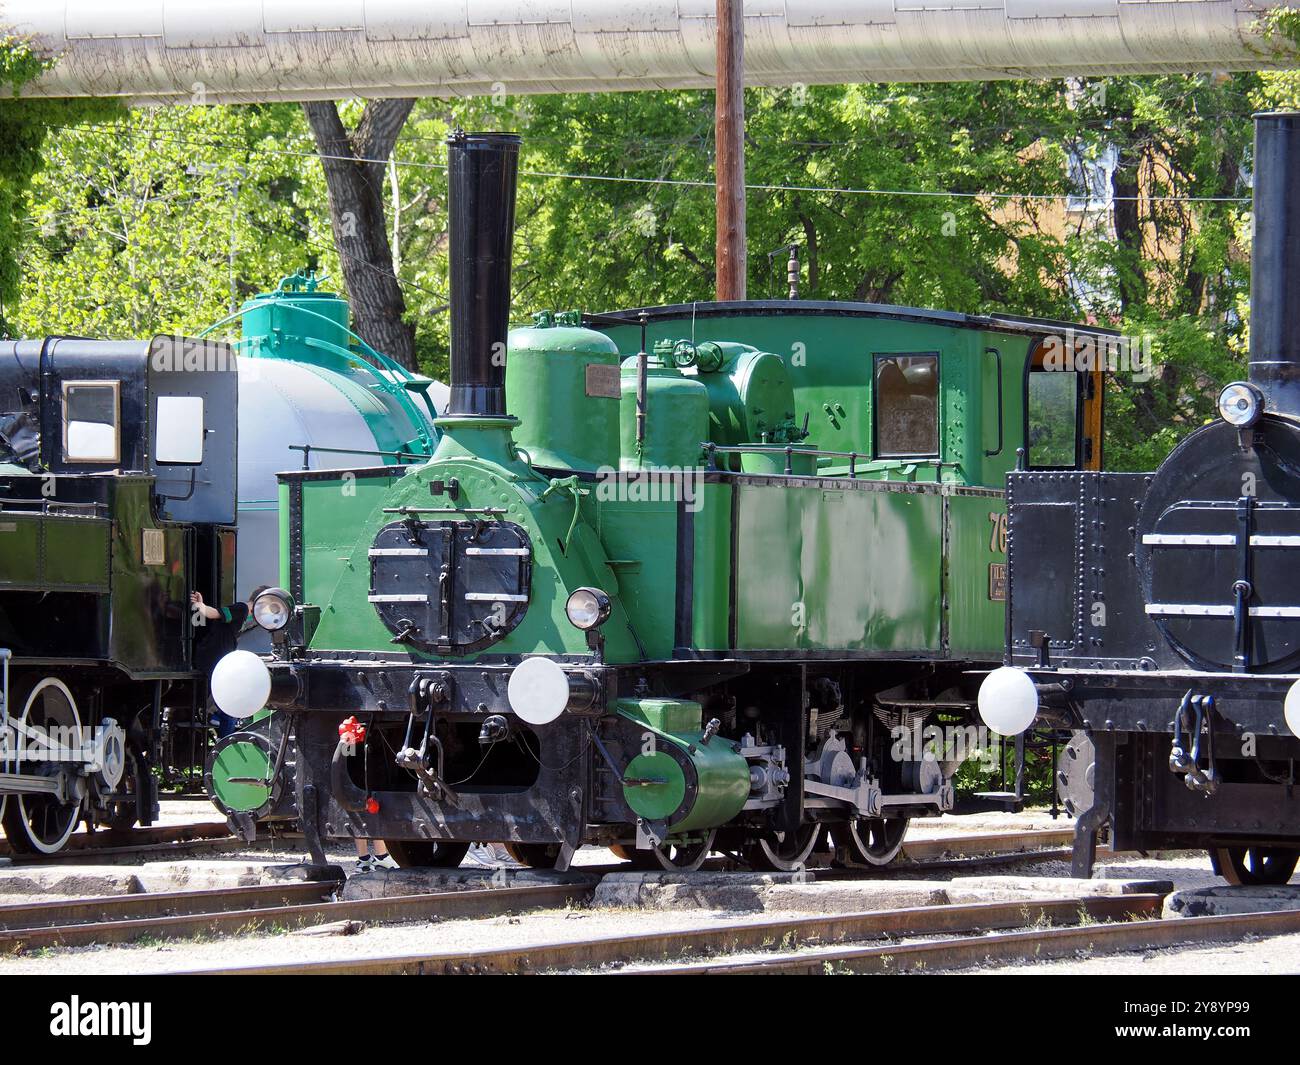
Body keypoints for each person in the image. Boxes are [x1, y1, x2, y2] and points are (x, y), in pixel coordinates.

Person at [191, 585, 270, 738]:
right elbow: (215, 614)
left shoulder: (248, 616)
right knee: (227, 699)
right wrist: (201, 606)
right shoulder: (241, 608)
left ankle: (216, 720)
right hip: (213, 656)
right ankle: (218, 727)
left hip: (218, 656)